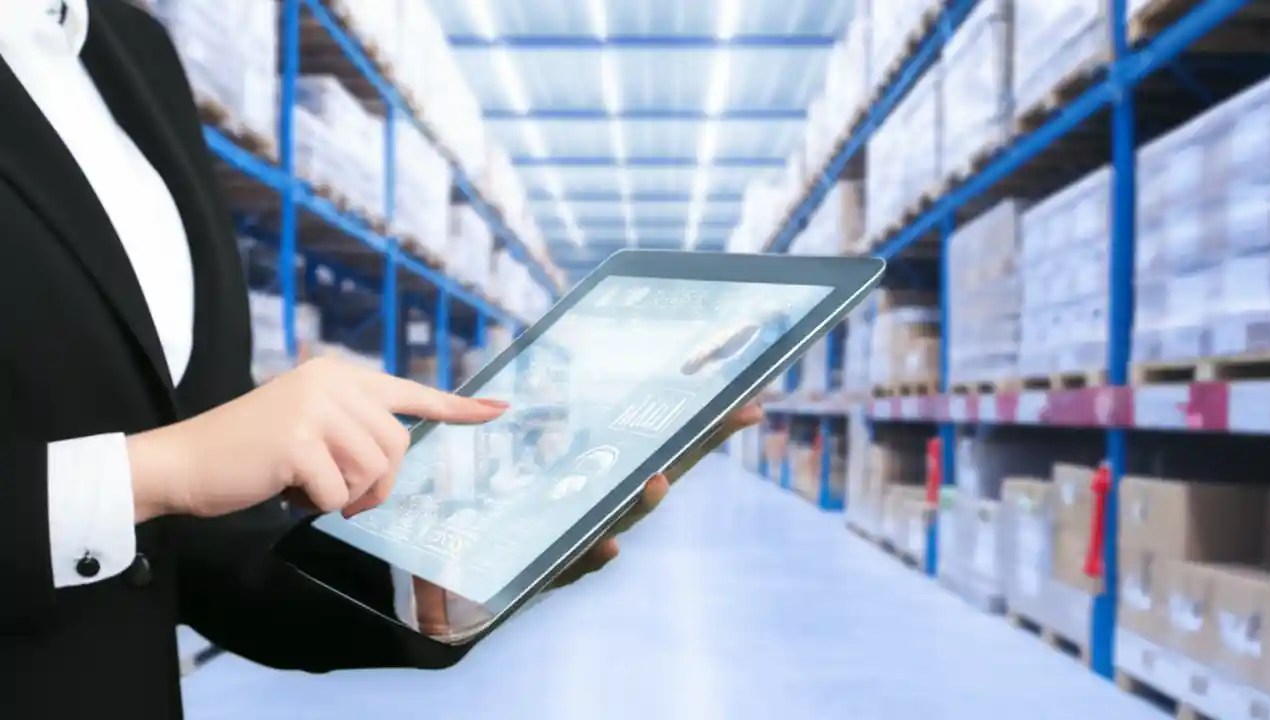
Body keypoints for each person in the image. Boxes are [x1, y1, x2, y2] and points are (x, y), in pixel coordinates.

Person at [0, 2, 762, 717]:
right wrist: (150, 474)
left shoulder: (131, 54)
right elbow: (172, 475)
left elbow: (199, 556)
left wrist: (448, 572)